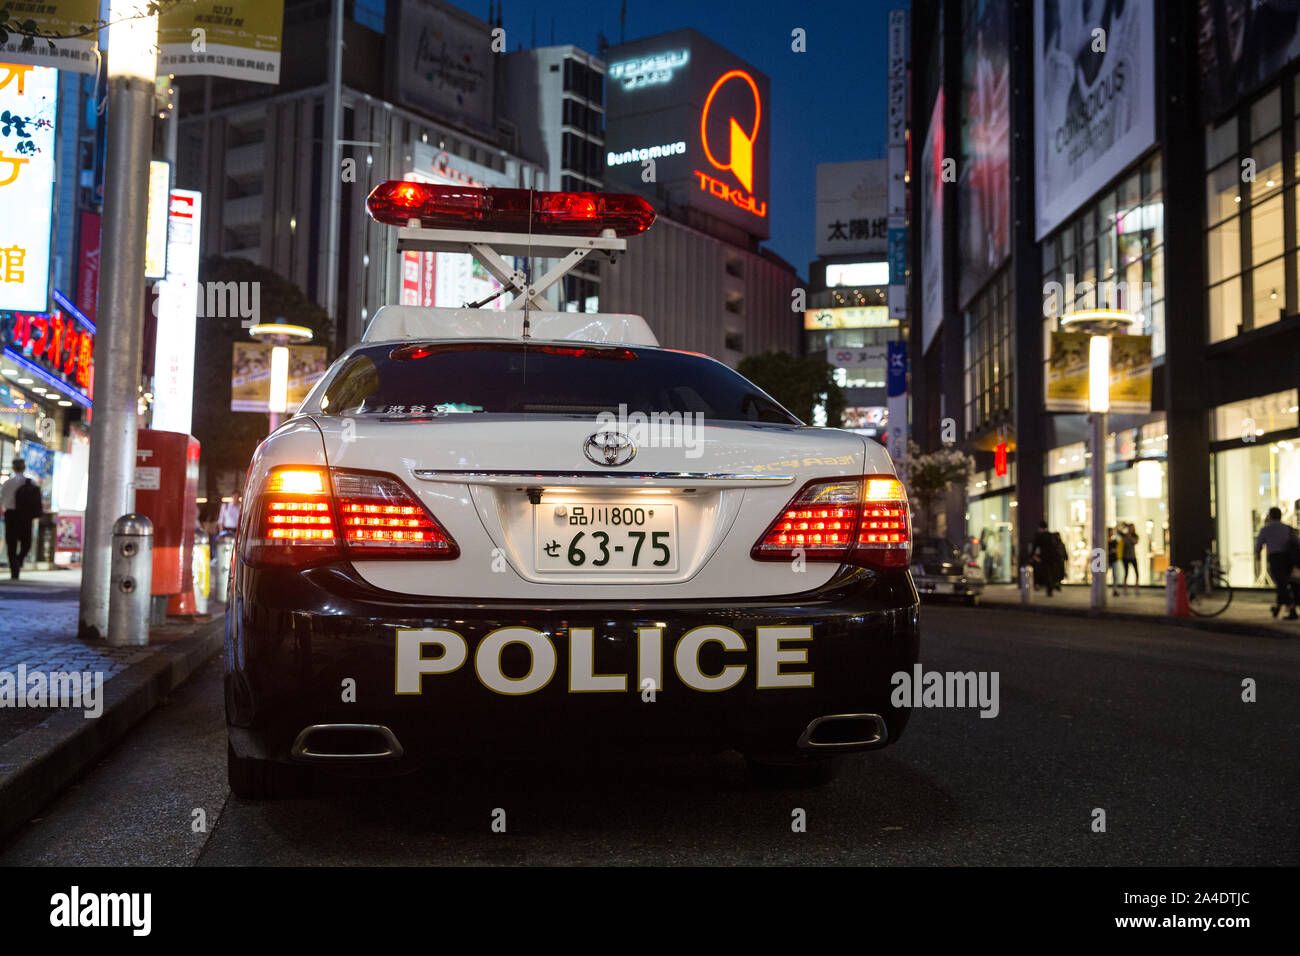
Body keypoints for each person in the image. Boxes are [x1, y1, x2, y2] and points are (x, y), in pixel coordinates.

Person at [1255, 506, 1300, 621]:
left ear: (1270, 516)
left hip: (1275, 558)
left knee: (1281, 584)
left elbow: (1259, 544)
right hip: (1288, 559)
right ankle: (1278, 608)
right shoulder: (1287, 528)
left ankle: (1291, 609)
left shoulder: (1266, 529)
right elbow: (1296, 542)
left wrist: (1258, 555)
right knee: (1283, 583)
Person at [1, 458, 41, 581]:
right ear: (24, 467)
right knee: (26, 542)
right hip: (25, 516)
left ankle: (14, 569)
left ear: (13, 468)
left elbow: (3, 501)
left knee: (11, 544)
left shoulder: (7, 484)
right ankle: (19, 560)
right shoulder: (31, 483)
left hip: (11, 515)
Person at [1031, 520, 1067, 597]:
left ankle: (1049, 588)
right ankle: (1052, 586)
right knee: (1051, 572)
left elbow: (1034, 547)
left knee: (1047, 573)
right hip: (1053, 558)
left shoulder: (1039, 536)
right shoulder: (1051, 535)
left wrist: (1031, 556)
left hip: (1045, 558)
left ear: (1040, 528)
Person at [1121, 522, 1141, 592]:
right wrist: (1123, 525)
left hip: (1133, 556)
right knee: (1126, 572)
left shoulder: (1135, 535)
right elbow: (1117, 531)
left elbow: (1135, 542)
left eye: (1132, 528)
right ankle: (1125, 586)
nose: (1131, 529)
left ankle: (1137, 586)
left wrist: (1129, 536)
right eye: (1130, 528)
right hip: (1125, 556)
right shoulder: (1124, 535)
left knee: (1136, 572)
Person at [1107, 527, 1122, 596]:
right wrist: (1110, 552)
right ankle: (1103, 589)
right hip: (1107, 560)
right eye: (1109, 532)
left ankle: (1115, 590)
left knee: (1115, 575)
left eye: (1111, 532)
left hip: (1114, 560)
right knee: (1104, 574)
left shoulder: (1115, 541)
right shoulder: (1104, 541)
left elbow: (1118, 548)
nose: (1111, 533)